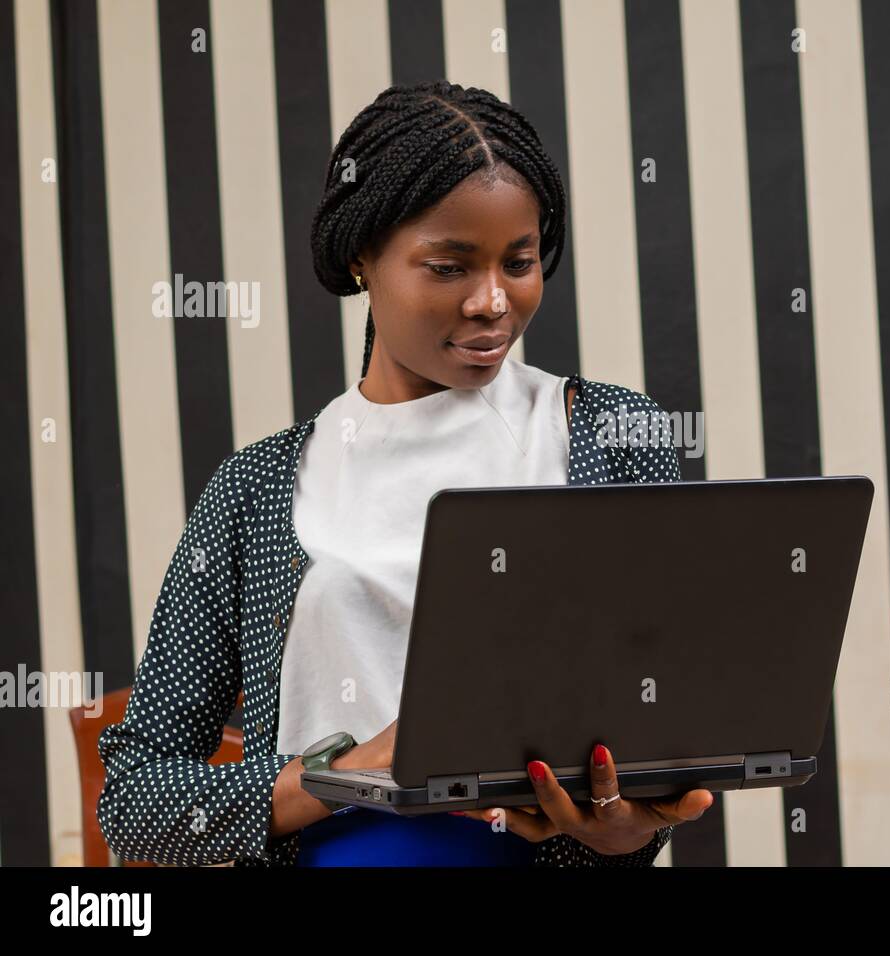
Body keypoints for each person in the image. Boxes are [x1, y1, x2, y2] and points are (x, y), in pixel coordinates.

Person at [96, 79, 712, 867]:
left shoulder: (616, 437)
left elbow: (663, 730)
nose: (494, 301)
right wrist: (345, 774)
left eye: (519, 262)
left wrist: (629, 831)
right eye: (450, 267)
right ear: (363, 258)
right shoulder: (256, 488)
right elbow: (136, 802)